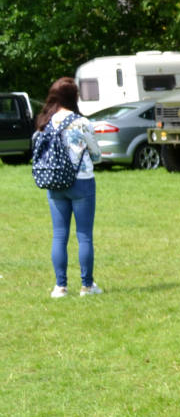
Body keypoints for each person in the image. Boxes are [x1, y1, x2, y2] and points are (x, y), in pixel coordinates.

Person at [35, 77, 102, 298]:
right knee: (84, 236)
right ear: (74, 97)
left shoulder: (45, 122)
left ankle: (60, 287)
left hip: (54, 182)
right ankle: (87, 286)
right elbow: (97, 156)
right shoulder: (81, 123)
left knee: (59, 235)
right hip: (81, 181)